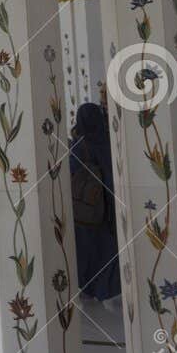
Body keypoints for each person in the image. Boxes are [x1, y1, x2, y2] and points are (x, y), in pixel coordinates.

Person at [68, 103, 120, 300]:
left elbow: (72, 172)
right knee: (108, 246)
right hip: (110, 203)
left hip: (88, 206)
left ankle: (89, 288)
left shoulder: (80, 145)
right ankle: (107, 287)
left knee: (87, 247)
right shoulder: (109, 140)